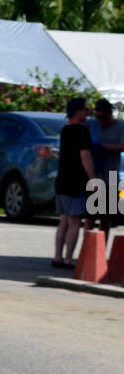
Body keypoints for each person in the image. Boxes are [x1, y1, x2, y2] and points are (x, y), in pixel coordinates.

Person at [53, 97, 94, 268]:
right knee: (75, 221)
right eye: (86, 110)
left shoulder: (65, 129)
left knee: (63, 221)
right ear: (79, 111)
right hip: (75, 182)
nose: (88, 113)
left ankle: (57, 257)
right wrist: (93, 178)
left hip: (62, 180)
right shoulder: (80, 131)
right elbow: (85, 156)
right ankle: (69, 258)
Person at [89, 99, 124, 233]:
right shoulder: (92, 125)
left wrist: (102, 147)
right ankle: (88, 250)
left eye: (104, 117)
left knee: (106, 217)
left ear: (110, 114)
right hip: (93, 175)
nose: (101, 121)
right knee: (90, 216)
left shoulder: (120, 127)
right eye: (98, 117)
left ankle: (101, 249)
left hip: (111, 177)